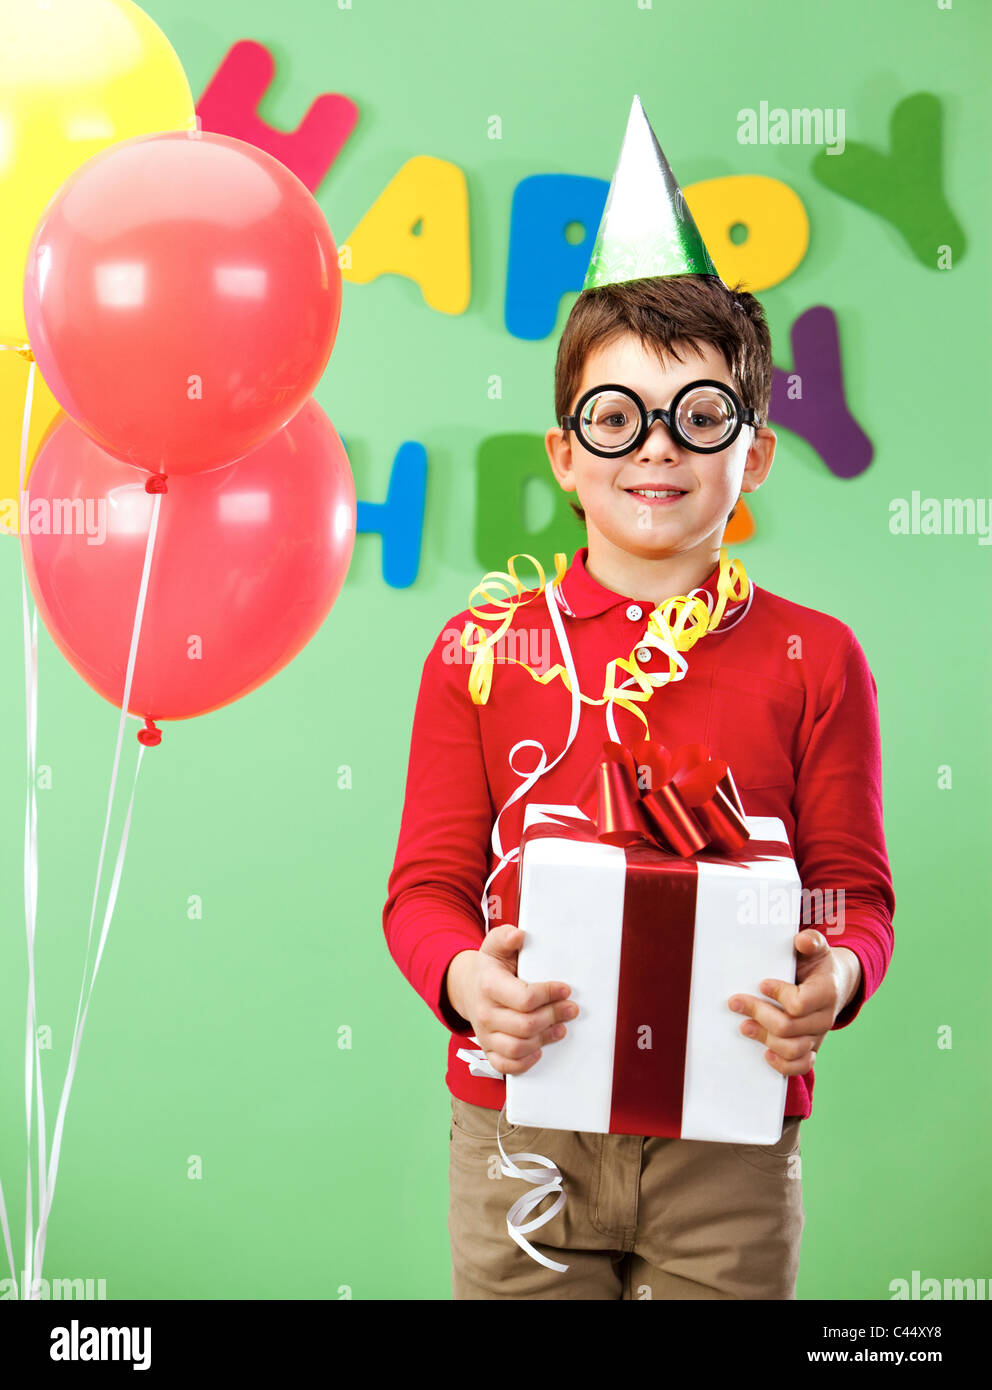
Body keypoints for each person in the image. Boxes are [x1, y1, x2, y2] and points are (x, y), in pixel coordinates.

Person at [382, 97, 894, 1300]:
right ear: (563, 454)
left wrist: (835, 980)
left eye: (697, 416)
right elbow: (426, 893)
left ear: (752, 452)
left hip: (728, 1137)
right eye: (614, 419)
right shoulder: (482, 647)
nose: (653, 450)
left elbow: (853, 895)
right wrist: (468, 985)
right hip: (517, 1132)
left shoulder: (815, 658)